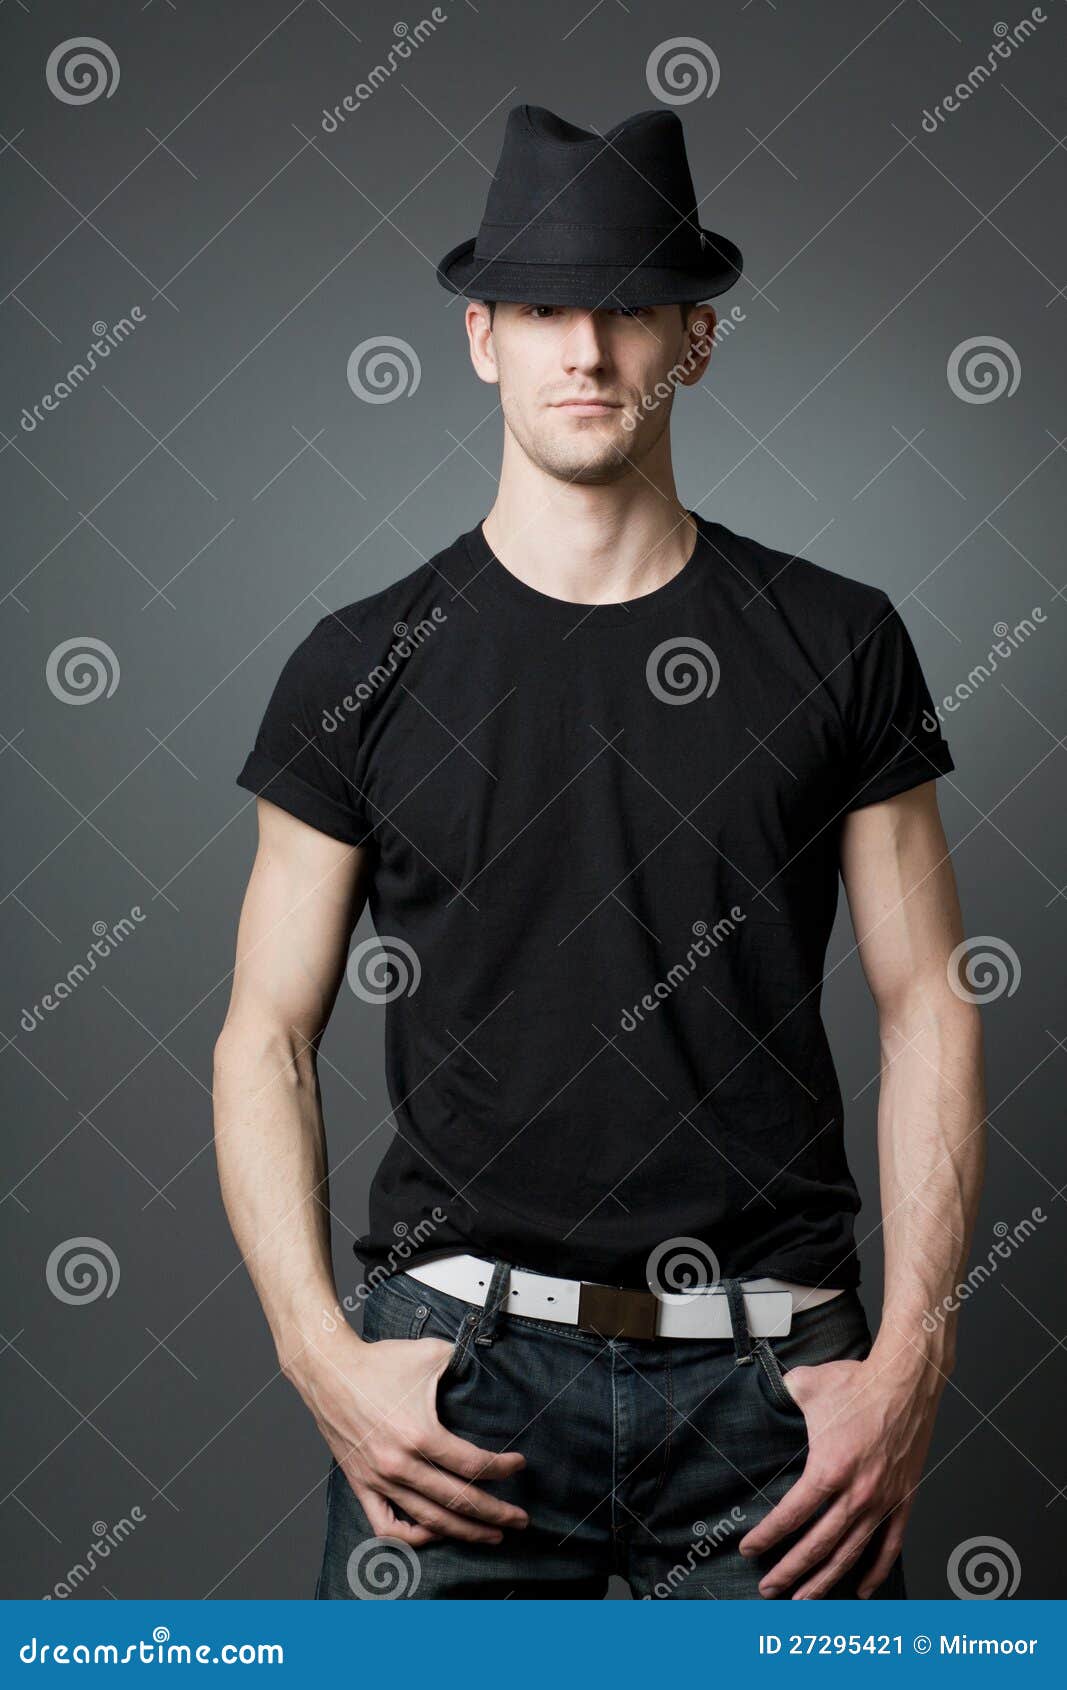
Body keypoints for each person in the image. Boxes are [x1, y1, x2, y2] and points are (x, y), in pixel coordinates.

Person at [213, 104, 985, 1600]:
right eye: (548, 308)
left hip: (779, 1398)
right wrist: (325, 1353)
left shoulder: (839, 643)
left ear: (691, 341)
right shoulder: (356, 665)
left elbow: (931, 1002)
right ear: (481, 336)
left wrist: (910, 1364)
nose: (588, 350)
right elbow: (264, 1032)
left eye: (629, 307)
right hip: (457, 1387)